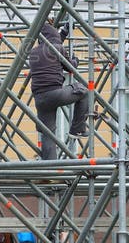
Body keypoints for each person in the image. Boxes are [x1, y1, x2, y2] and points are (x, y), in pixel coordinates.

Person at [29, 19, 88, 160]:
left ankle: (49, 170)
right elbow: (71, 67)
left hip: (39, 99)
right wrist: (76, 60)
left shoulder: (33, 52)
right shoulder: (57, 48)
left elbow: (53, 47)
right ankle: (77, 129)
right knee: (85, 92)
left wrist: (64, 33)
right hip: (55, 94)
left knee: (48, 134)